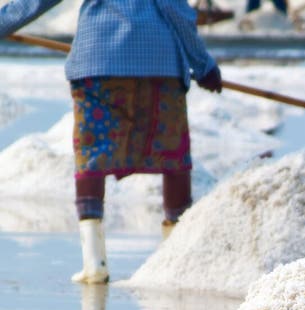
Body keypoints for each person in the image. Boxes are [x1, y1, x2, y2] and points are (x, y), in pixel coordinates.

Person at [0, 0, 224, 284]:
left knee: (92, 153)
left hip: (99, 59)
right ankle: (175, 258)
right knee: (172, 154)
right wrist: (203, 65)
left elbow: (33, 2)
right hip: (158, 63)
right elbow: (175, 10)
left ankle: (95, 263)